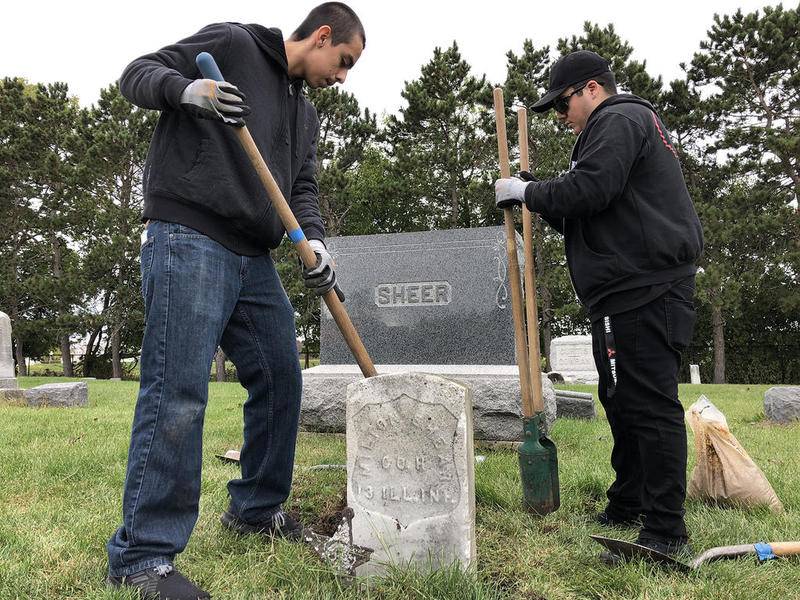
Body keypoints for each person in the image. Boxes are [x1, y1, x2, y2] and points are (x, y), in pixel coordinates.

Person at [106, 4, 365, 598]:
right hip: (189, 234)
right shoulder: (233, 43)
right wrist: (189, 90)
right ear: (322, 36)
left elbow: (301, 187)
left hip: (253, 254)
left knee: (281, 378)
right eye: (344, 61)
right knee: (179, 391)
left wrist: (315, 241)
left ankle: (255, 510)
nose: (343, 76)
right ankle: (142, 557)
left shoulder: (304, 112)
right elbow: (136, 73)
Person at [495, 50, 703, 557]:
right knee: (620, 400)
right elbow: (590, 212)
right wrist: (536, 200)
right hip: (621, 291)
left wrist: (529, 190)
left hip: (646, 290)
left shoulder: (620, 118)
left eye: (562, 105)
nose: (561, 118)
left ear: (591, 88)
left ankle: (665, 532)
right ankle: (629, 498)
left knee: (651, 407)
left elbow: (591, 188)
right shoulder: (617, 127)